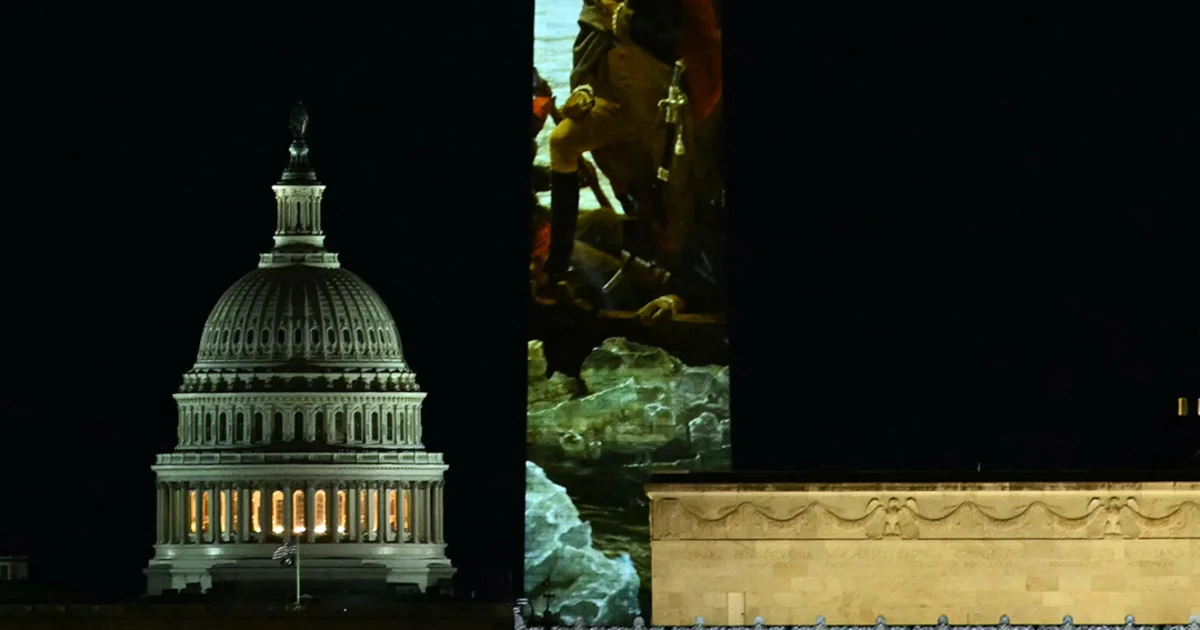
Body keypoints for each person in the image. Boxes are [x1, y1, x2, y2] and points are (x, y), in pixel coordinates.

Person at [542, 0, 723, 287]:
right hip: (615, 103)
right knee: (562, 141)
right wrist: (583, 91)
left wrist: (627, 21)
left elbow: (686, 42)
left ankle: (684, 290)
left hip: (666, 105)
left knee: (679, 201)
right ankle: (558, 266)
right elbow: (588, 47)